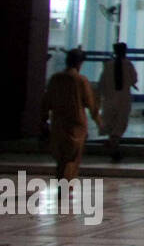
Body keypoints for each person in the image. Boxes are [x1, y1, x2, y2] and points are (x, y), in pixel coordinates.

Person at [41, 49, 100, 180]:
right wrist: (99, 122)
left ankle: (62, 182)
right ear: (80, 63)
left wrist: (43, 120)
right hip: (76, 125)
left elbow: (46, 102)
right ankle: (66, 185)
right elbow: (91, 104)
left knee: (61, 158)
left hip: (59, 124)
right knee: (72, 158)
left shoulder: (55, 79)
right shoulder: (81, 80)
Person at [96, 42, 137, 162]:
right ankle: (114, 145)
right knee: (120, 122)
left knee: (111, 122)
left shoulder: (108, 65)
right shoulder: (128, 64)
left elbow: (102, 82)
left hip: (109, 98)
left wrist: (102, 96)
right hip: (123, 98)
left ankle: (113, 145)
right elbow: (134, 78)